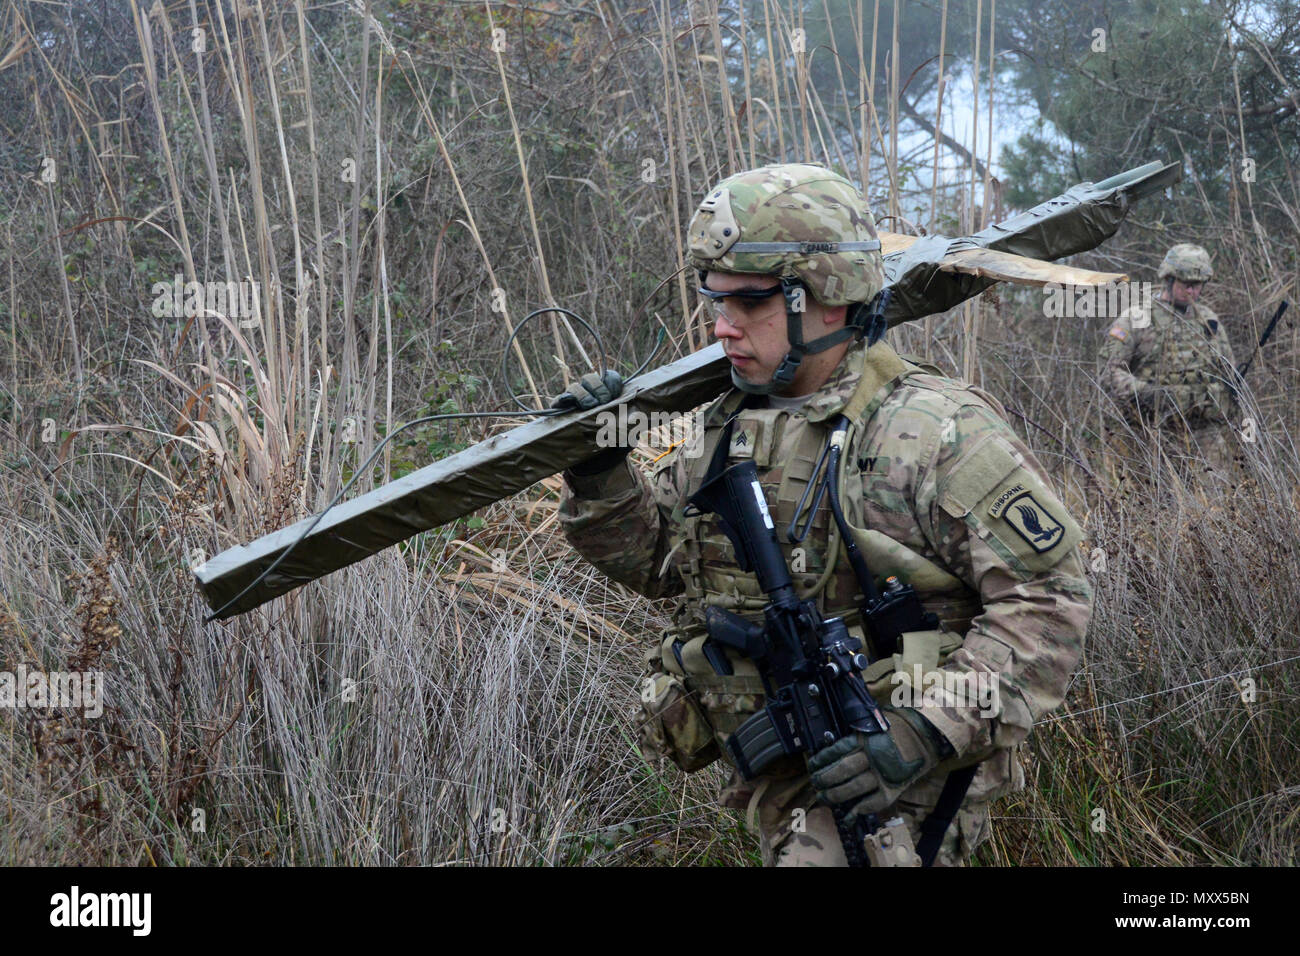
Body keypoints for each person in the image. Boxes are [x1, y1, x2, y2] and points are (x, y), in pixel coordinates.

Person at [556, 164, 1093, 866]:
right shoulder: (729, 422)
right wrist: (598, 475)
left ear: (830, 301)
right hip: (787, 779)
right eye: (715, 302)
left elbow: (1050, 601)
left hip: (907, 786)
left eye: (749, 303)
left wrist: (919, 732)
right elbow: (662, 563)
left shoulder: (934, 432)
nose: (722, 327)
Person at [1099, 243, 1240, 472]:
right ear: (1170, 280)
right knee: (1154, 501)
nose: (1193, 291)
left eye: (1198, 285)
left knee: (1213, 502)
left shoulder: (1208, 320)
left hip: (1205, 435)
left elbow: (1227, 370)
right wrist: (1147, 393)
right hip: (1151, 432)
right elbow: (1108, 372)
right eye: (1187, 285)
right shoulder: (1138, 318)